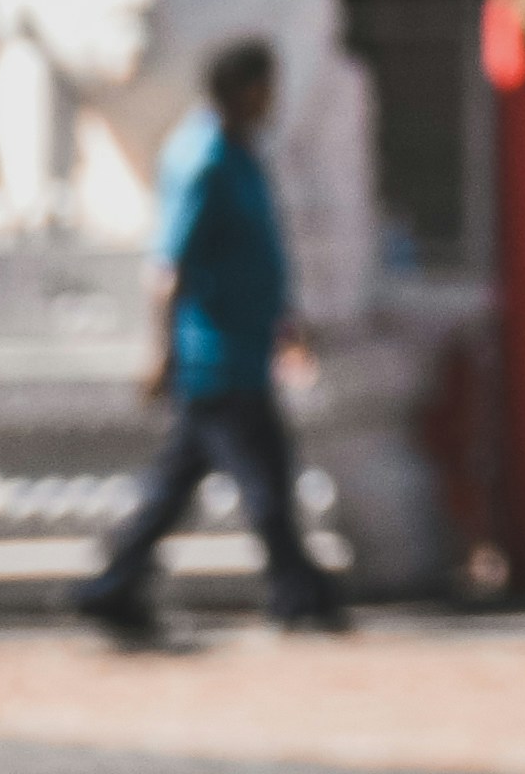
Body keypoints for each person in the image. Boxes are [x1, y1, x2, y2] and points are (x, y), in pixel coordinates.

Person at [69, 40, 346, 640]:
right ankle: (295, 589)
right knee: (261, 479)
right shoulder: (203, 159)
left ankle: (116, 583)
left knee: (195, 479)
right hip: (213, 357)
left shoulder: (241, 152)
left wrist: (284, 330)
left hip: (242, 353)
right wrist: (161, 351)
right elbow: (168, 266)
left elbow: (257, 255)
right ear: (244, 87)